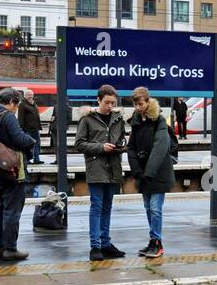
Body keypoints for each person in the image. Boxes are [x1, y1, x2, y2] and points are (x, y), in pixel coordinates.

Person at [0, 88, 36, 262]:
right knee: (12, 210)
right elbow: (19, 139)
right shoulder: (7, 116)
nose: (16, 108)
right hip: (11, 169)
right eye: (16, 105)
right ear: (11, 102)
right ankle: (10, 249)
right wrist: (31, 140)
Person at [74, 84, 128, 261]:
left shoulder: (118, 119)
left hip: (113, 168)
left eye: (113, 102)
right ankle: (95, 246)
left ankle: (105, 243)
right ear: (98, 100)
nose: (110, 106)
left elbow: (121, 138)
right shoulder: (87, 119)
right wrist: (101, 147)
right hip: (96, 169)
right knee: (96, 207)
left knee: (107, 208)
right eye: (107, 102)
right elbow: (79, 144)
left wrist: (120, 147)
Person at [128, 87, 175, 258]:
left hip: (158, 173)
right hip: (143, 173)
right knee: (148, 208)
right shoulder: (136, 122)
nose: (138, 107)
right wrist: (137, 171)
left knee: (155, 208)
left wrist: (148, 172)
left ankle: (157, 242)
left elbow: (160, 147)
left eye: (140, 104)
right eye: (135, 105)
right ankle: (153, 240)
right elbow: (131, 147)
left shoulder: (159, 120)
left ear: (148, 102)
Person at [17, 89, 42, 166]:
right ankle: (27, 159)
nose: (30, 96)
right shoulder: (22, 105)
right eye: (28, 95)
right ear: (25, 96)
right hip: (27, 129)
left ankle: (37, 159)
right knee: (27, 144)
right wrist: (22, 129)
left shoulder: (33, 104)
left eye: (31, 95)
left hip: (35, 128)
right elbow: (20, 118)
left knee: (37, 144)